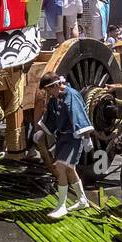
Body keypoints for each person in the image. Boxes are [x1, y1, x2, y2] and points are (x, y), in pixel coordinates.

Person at [33, 74, 94, 219]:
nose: (48, 94)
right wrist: (42, 131)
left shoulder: (71, 96)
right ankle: (82, 200)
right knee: (69, 169)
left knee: (60, 167)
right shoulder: (55, 98)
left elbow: (79, 116)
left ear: (55, 85)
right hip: (62, 137)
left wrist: (86, 138)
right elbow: (51, 118)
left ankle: (61, 206)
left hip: (74, 137)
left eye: (48, 90)